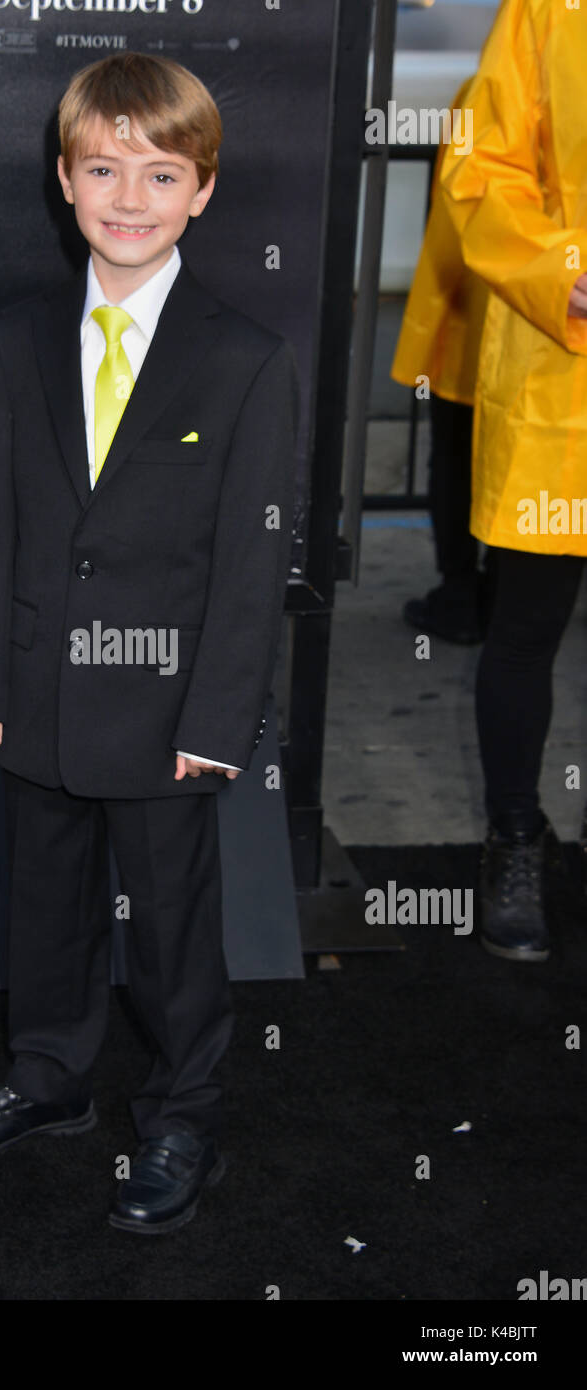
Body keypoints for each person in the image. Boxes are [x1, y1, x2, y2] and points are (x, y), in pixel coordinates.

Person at [0, 53, 299, 1233]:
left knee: (173, 919)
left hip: (166, 704)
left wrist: (216, 718)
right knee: (43, 900)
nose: (127, 197)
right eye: (102, 168)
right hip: (30, 690)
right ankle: (47, 1079)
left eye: (157, 172)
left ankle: (183, 1109)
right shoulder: (17, 334)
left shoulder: (245, 357)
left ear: (200, 191)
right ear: (63, 180)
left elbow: (251, 565)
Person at [438, 0, 587, 960]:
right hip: (563, 358)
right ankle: (514, 835)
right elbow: (480, 161)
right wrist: (556, 271)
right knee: (527, 627)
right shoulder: (546, 12)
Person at [391, 77, 493, 645]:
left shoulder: (487, 91)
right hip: (542, 325)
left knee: (455, 460)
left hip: (467, 313)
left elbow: (453, 199)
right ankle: (502, 588)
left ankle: (460, 592)